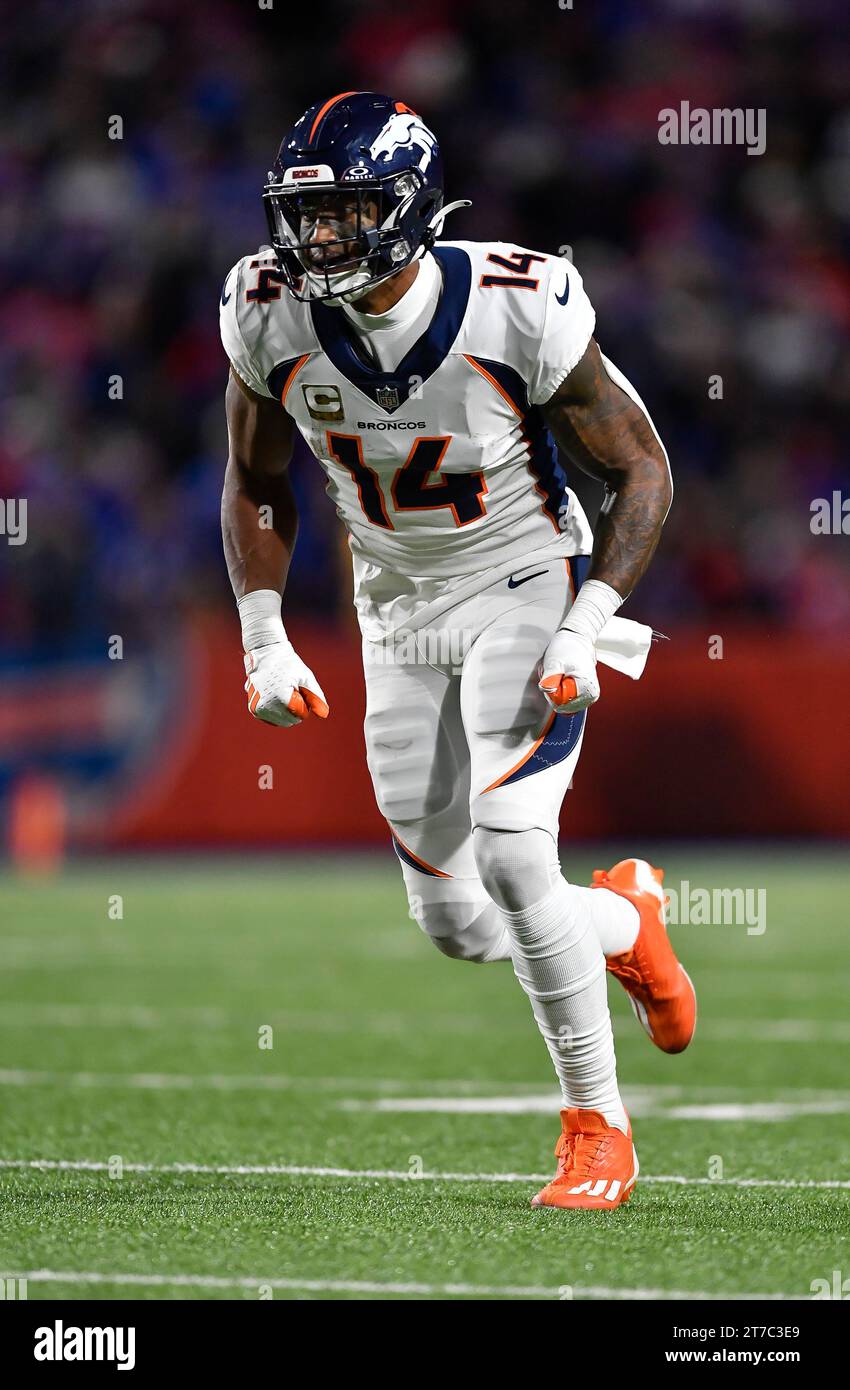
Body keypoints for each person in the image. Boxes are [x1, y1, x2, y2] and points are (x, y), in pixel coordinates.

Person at [220, 91, 695, 1210]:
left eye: (344, 213)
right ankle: (627, 921)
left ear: (410, 207)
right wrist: (261, 633)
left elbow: (640, 469)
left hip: (523, 579)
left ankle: (596, 1126)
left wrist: (584, 621)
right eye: (307, 214)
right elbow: (254, 479)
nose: (319, 238)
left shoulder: (515, 301)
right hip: (391, 607)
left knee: (516, 850)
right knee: (453, 921)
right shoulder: (264, 307)